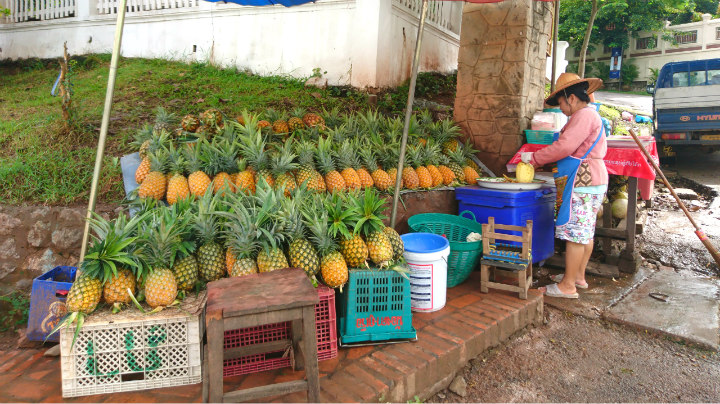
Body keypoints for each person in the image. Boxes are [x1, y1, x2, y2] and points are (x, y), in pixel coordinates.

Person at [521, 73, 607, 299]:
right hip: (592, 181)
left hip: (582, 180)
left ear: (570, 98)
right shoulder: (589, 115)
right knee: (585, 232)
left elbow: (564, 146)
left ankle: (567, 286)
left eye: (560, 102)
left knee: (575, 234)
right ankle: (578, 276)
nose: (560, 107)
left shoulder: (583, 116)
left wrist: (534, 158)